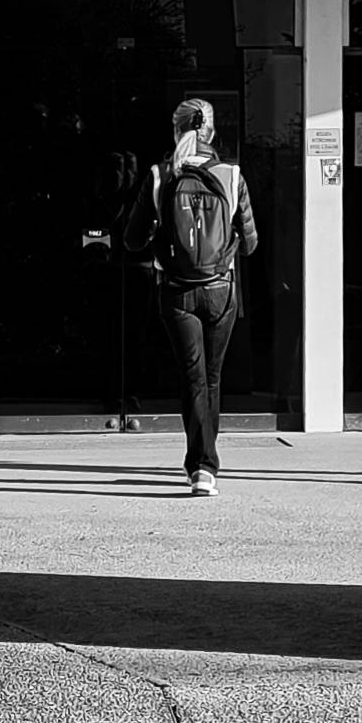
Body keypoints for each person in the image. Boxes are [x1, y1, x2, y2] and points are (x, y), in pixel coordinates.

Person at [134, 98, 255, 493]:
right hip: (221, 288)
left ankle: (199, 463)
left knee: (192, 377)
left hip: (176, 291)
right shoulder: (232, 174)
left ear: (176, 130)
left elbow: (132, 239)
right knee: (213, 378)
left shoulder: (160, 174)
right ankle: (207, 465)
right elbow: (251, 243)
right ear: (212, 132)